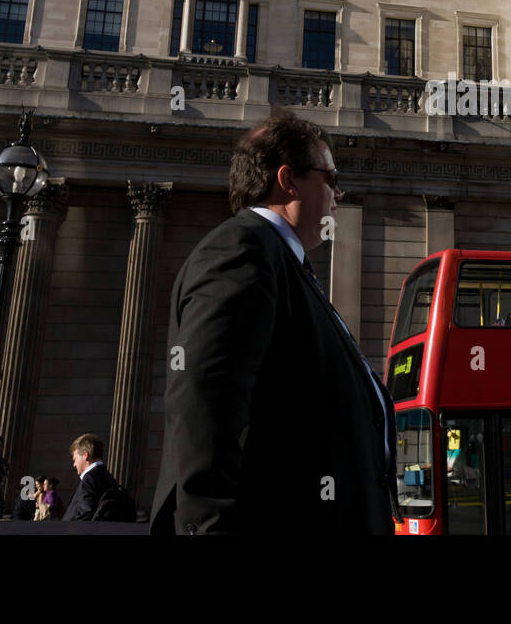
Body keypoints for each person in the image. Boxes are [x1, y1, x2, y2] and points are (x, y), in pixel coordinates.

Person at [150, 111, 398, 535]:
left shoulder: (285, 263)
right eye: (330, 177)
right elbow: (205, 399)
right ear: (289, 180)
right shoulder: (242, 250)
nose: (339, 192)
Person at [62, 434, 121, 521]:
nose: (74, 465)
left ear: (85, 455)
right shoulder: (107, 476)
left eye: (75, 459)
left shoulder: (89, 478)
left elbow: (85, 514)